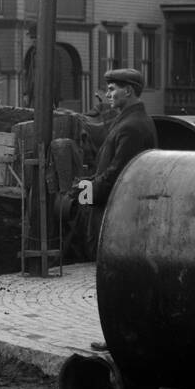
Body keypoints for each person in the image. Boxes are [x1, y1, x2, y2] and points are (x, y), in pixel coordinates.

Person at [75, 68, 157, 272]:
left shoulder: (132, 127)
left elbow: (117, 174)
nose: (108, 95)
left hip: (115, 216)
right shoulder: (133, 121)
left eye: (112, 89)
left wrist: (85, 193)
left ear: (128, 91)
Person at [22, 24, 61, 109]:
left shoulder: (53, 52)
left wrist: (53, 98)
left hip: (46, 96)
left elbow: (55, 77)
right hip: (34, 96)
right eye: (31, 38)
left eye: (34, 38)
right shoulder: (34, 53)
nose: (32, 40)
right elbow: (31, 75)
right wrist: (27, 93)